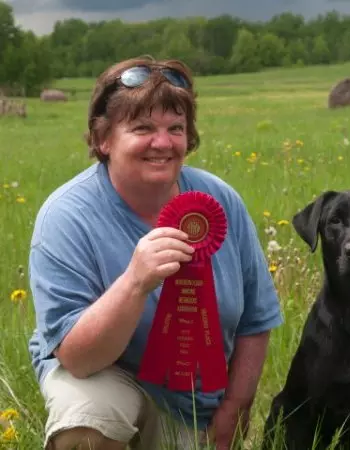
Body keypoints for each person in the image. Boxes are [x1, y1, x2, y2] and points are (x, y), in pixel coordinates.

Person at [28, 56, 283, 450]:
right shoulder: (65, 217)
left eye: (175, 128)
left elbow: (256, 317)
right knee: (89, 420)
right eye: (143, 127)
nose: (162, 142)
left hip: (195, 400)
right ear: (103, 139)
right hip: (106, 374)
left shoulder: (220, 201)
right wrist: (134, 282)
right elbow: (77, 359)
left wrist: (235, 406)